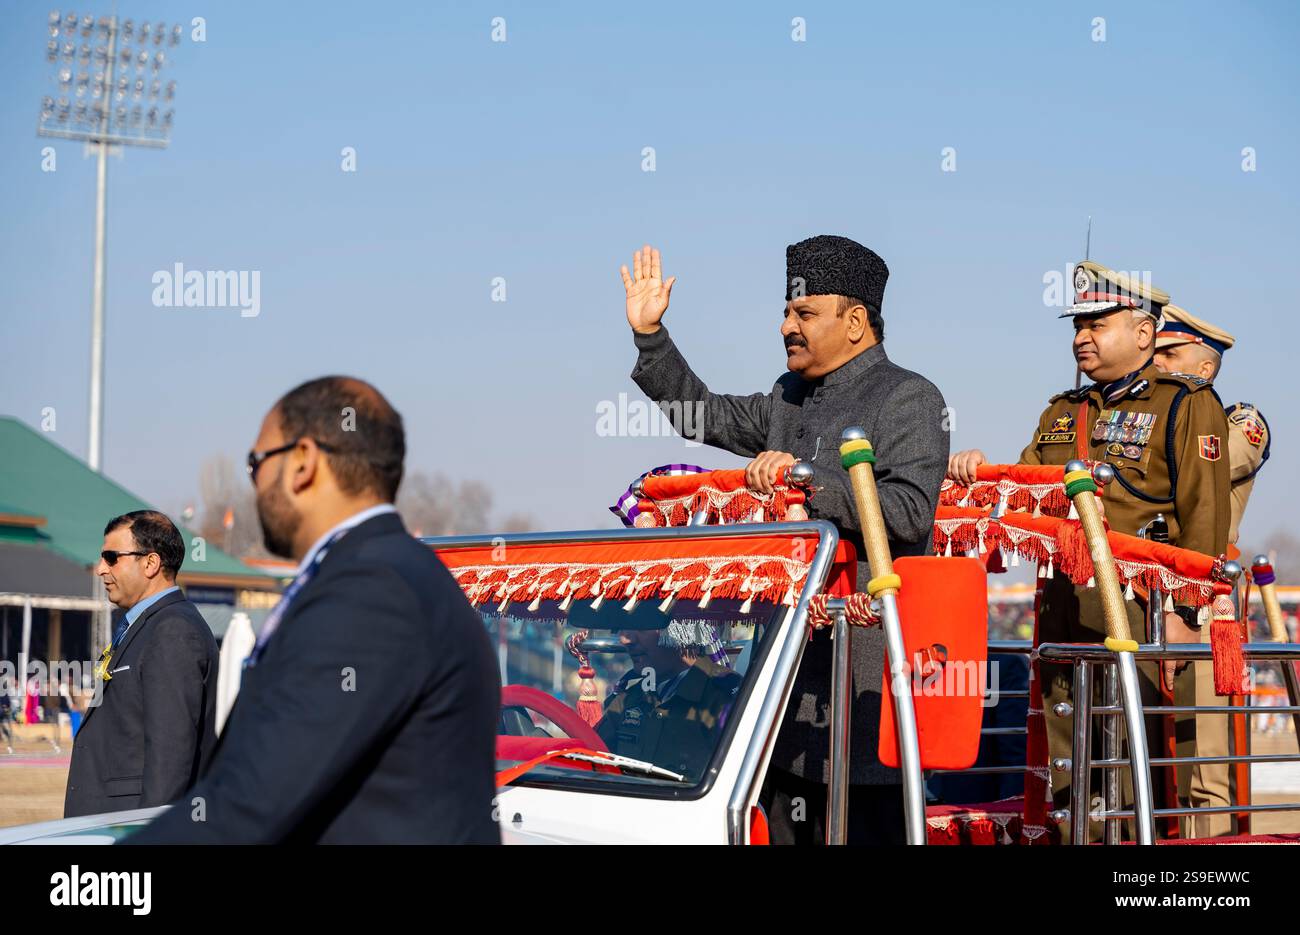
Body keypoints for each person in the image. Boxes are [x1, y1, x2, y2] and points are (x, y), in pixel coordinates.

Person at [621, 238, 949, 843]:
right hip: (784, 689)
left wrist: (806, 481)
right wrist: (651, 337)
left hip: (865, 691)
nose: (785, 327)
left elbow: (908, 513)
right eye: (785, 313)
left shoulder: (910, 396)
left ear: (855, 323)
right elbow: (704, 415)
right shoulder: (787, 397)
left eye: (803, 313)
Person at [125, 376, 501, 844]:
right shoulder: (386, 571)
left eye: (255, 462)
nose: (254, 483)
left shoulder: (371, 589)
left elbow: (249, 803)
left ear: (302, 462)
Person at [948, 261, 1232, 840]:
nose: (1081, 336)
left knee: (1131, 759)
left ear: (1145, 333)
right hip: (1063, 608)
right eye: (1078, 324)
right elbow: (1026, 487)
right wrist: (978, 473)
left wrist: (1184, 618)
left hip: (1139, 610)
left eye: (1098, 323)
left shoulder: (1184, 403)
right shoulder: (1062, 411)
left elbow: (1203, 514)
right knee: (1066, 758)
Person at [1153, 303, 1270, 837]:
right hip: (1143, 591)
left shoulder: (1240, 423)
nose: (1154, 361)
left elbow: (1210, 462)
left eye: (1168, 352)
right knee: (1140, 747)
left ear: (1204, 369)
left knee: (1204, 757)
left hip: (1201, 600)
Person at [64, 510, 219, 818]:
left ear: (150, 563)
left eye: (111, 557)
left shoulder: (172, 630)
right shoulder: (142, 625)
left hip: (131, 826)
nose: (100, 569)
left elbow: (170, 757)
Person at [596, 619, 742, 780]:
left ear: (679, 629)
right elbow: (593, 756)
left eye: (641, 626)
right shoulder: (629, 698)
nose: (624, 639)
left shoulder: (727, 698)